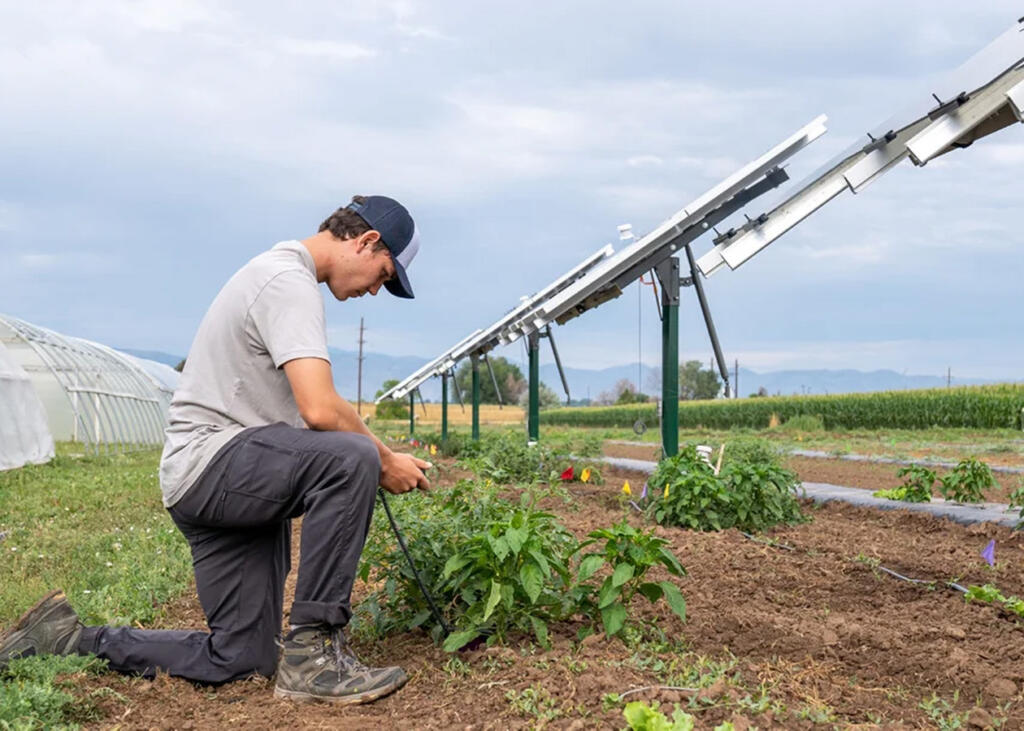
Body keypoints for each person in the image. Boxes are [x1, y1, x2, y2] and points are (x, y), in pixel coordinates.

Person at [0, 195, 433, 705]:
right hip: (216, 466)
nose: (375, 290)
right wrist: (384, 460)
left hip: (220, 479)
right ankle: (314, 657)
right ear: (366, 241)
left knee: (243, 658)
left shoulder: (280, 276)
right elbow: (319, 409)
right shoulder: (287, 281)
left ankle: (68, 639)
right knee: (351, 457)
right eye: (383, 275)